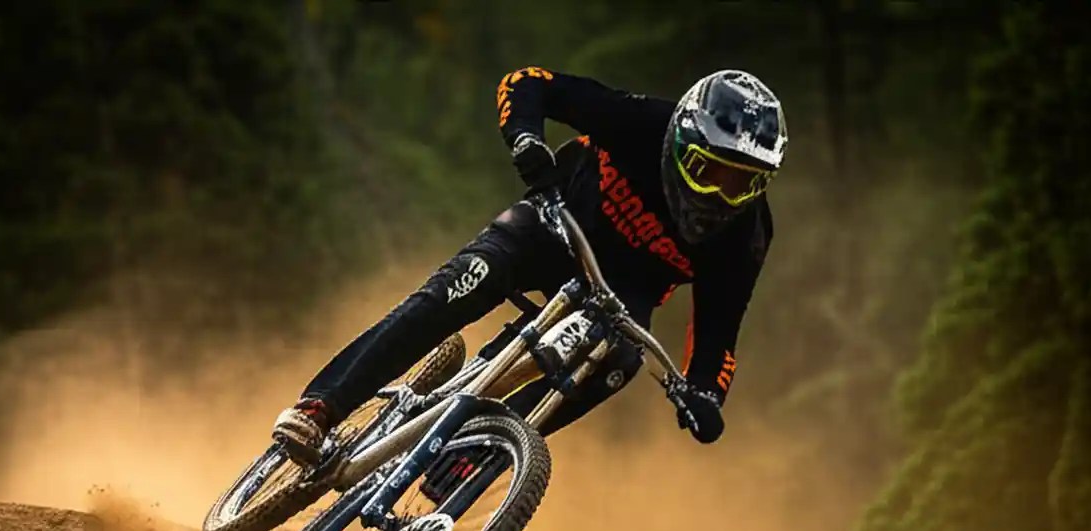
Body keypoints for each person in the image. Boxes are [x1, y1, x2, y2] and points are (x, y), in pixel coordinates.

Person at [272, 67, 787, 466]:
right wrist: (525, 138)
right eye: (709, 171)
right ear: (681, 141)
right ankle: (323, 406)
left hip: (622, 294)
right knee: (457, 290)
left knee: (619, 365)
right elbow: (529, 83)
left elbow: (718, 336)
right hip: (552, 226)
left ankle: (471, 461)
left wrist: (704, 396)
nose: (721, 195)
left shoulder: (745, 237)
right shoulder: (642, 123)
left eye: (742, 183)